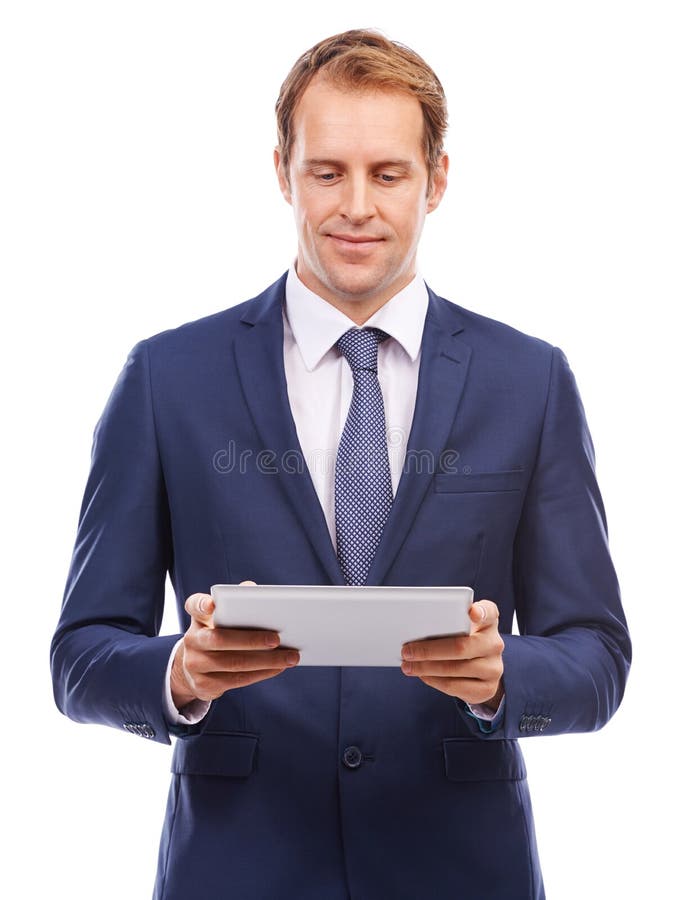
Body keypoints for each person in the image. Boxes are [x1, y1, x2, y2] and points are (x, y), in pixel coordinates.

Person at [50, 28, 631, 900]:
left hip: (460, 870)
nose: (355, 205)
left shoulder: (530, 380)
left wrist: (501, 676)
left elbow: (596, 656)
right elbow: (81, 654)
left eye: (387, 174)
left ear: (436, 179)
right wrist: (178, 674)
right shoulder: (167, 377)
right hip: (238, 869)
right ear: (281, 170)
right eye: (327, 172)